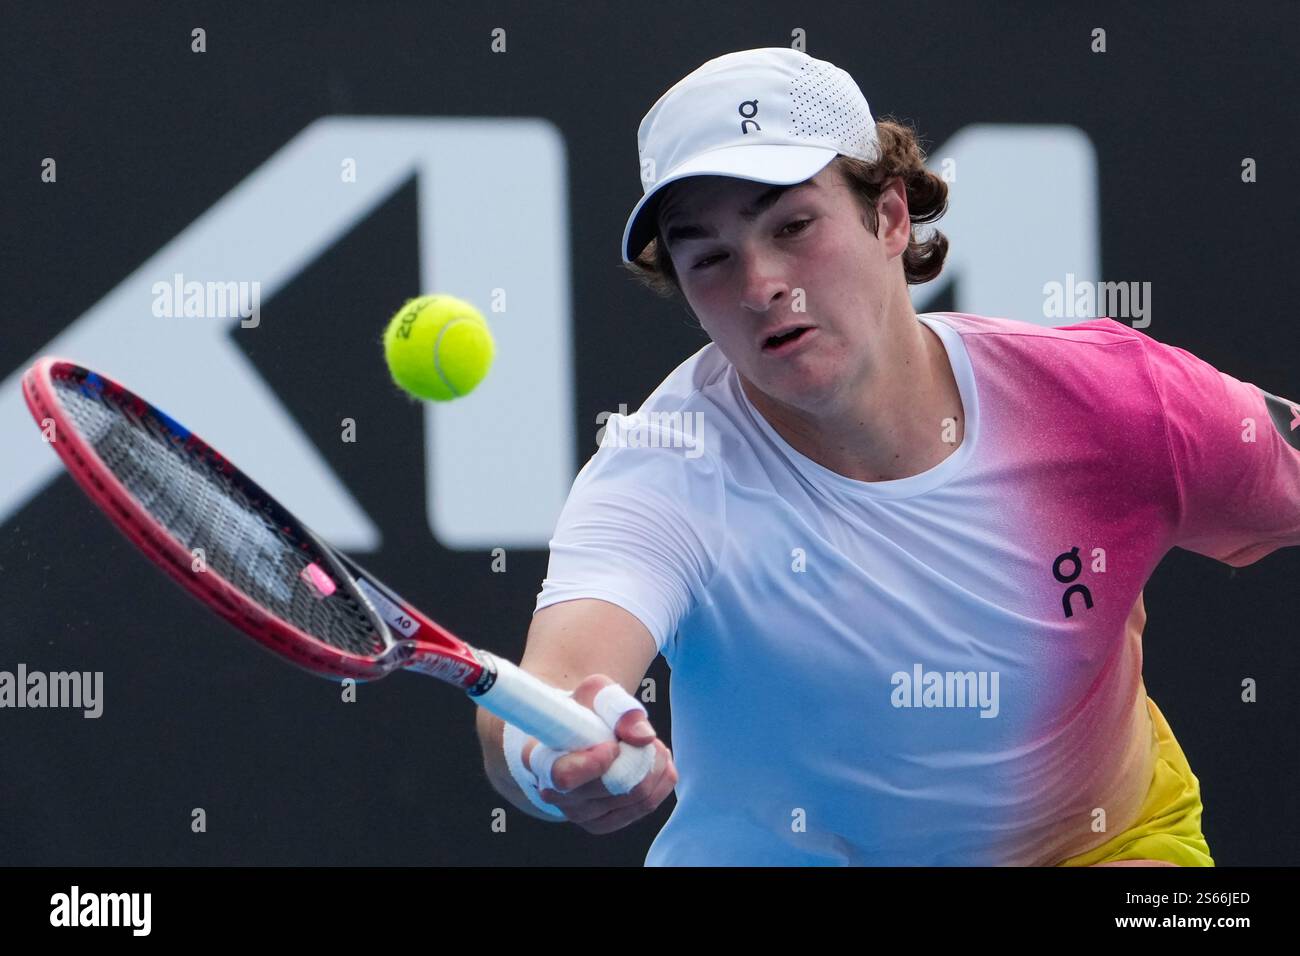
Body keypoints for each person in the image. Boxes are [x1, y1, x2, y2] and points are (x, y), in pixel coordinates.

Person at [475, 47, 1300, 865]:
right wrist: (553, 756)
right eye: (709, 256)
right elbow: (552, 687)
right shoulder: (664, 467)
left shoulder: (1111, 401)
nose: (760, 284)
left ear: (892, 217)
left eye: (792, 226)